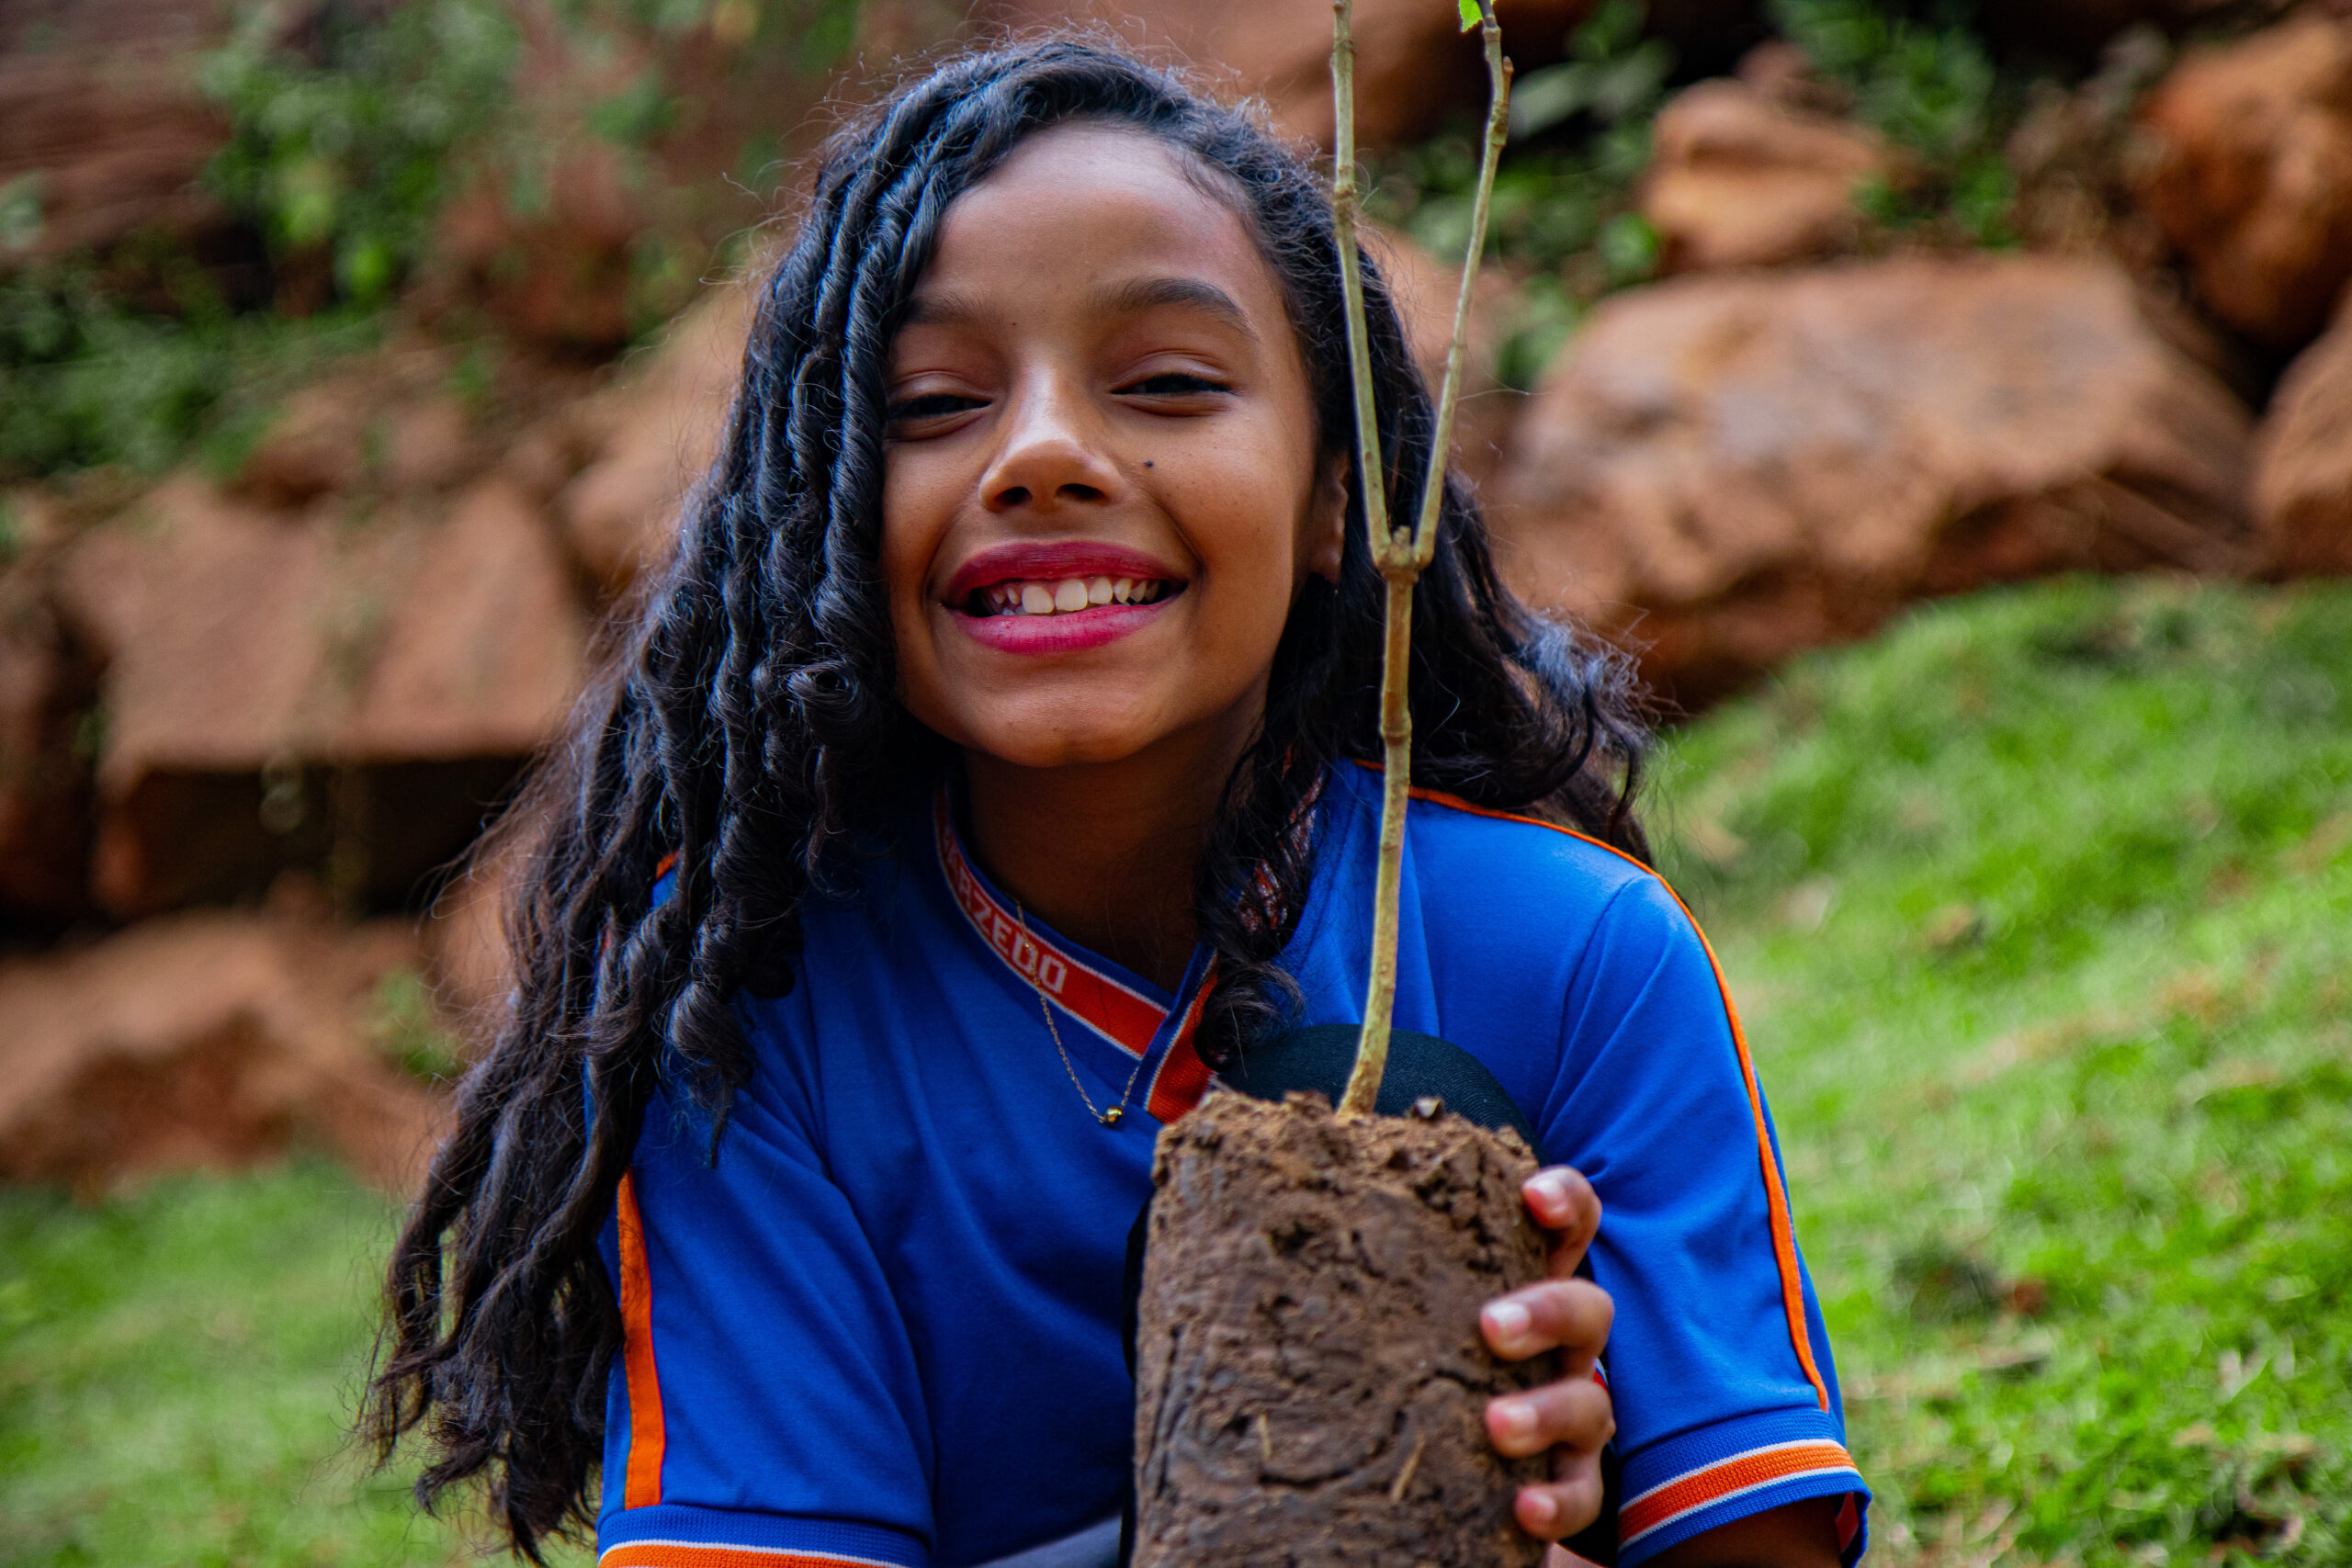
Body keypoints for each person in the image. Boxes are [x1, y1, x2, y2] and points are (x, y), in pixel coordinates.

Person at [366, 38, 1867, 1568]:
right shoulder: (743, 1006)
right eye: (936, 402)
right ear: (828, 513)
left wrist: (1551, 1505)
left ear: (1338, 500)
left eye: (1165, 383)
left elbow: (1751, 1534)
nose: (1044, 456)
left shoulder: (1572, 957)